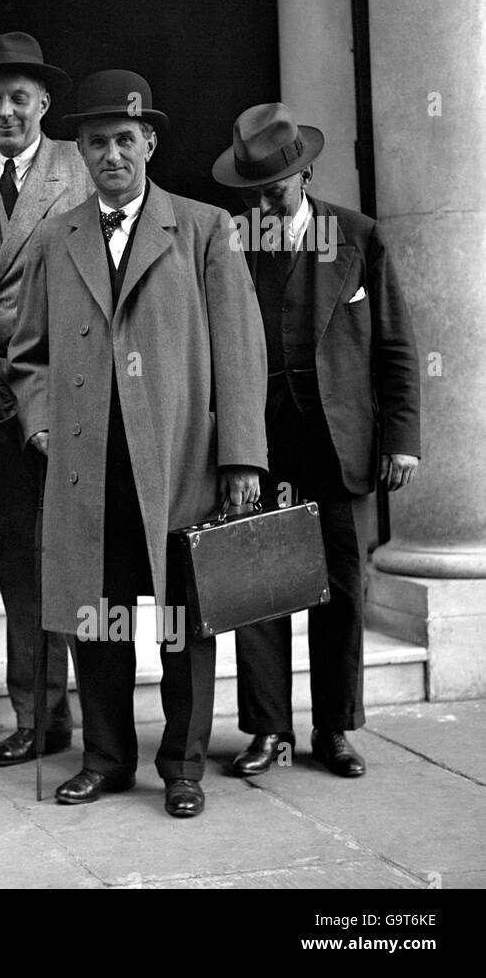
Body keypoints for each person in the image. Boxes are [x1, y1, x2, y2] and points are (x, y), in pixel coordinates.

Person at [8, 69, 268, 818]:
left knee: (183, 622)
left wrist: (242, 457)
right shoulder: (58, 238)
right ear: (81, 151)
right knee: (99, 617)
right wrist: (39, 421)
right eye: (98, 142)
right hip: (91, 465)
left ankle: (183, 766)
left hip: (180, 461)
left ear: (149, 141)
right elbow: (25, 352)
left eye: (126, 139)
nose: (113, 154)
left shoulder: (204, 228)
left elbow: (239, 352)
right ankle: (107, 758)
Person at [212, 103, 421, 779]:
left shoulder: (359, 236)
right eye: (254, 193)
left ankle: (333, 728)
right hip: (263, 441)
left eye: (275, 189)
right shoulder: (234, 243)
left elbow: (395, 346)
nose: (265, 203)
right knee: (259, 588)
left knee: (341, 589)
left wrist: (402, 439)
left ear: (306, 174)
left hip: (341, 441)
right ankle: (269, 730)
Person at [0, 31, 92, 767]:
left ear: (43, 101)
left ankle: (97, 713)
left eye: (18, 98)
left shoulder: (82, 166)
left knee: (82, 558)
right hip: (4, 402)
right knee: (18, 566)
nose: (5, 111)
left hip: (72, 389)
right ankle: (37, 714)